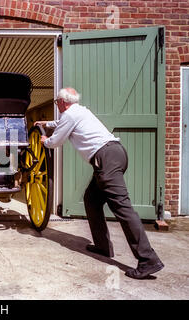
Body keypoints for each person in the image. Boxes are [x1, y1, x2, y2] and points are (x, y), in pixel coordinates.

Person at [35, 88, 164, 279]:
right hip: (115, 153)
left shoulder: (70, 114)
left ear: (62, 102)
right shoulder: (80, 111)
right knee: (92, 200)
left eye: (56, 102)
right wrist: (46, 122)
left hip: (106, 159)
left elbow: (55, 141)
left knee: (122, 208)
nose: (57, 105)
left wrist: (45, 140)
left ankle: (148, 260)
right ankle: (103, 246)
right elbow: (62, 123)